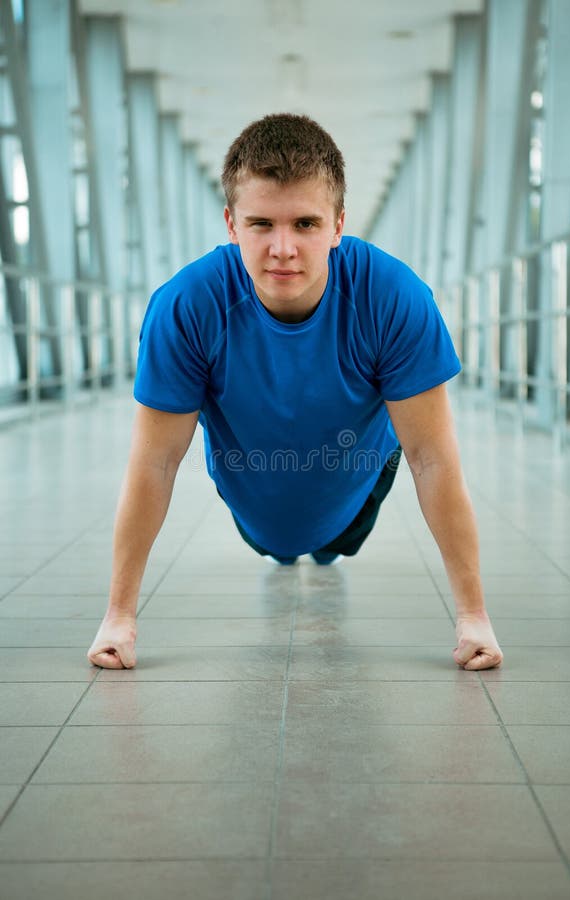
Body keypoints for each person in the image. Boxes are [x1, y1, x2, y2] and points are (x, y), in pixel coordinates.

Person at [87, 113, 503, 673]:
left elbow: (433, 459)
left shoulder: (394, 297)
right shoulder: (185, 306)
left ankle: (328, 539)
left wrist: (473, 616)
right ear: (231, 225)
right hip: (252, 492)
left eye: (306, 224)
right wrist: (119, 617)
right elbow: (154, 462)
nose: (283, 249)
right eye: (262, 224)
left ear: (339, 226)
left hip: (356, 486)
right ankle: (284, 543)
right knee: (276, 547)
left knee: (333, 546)